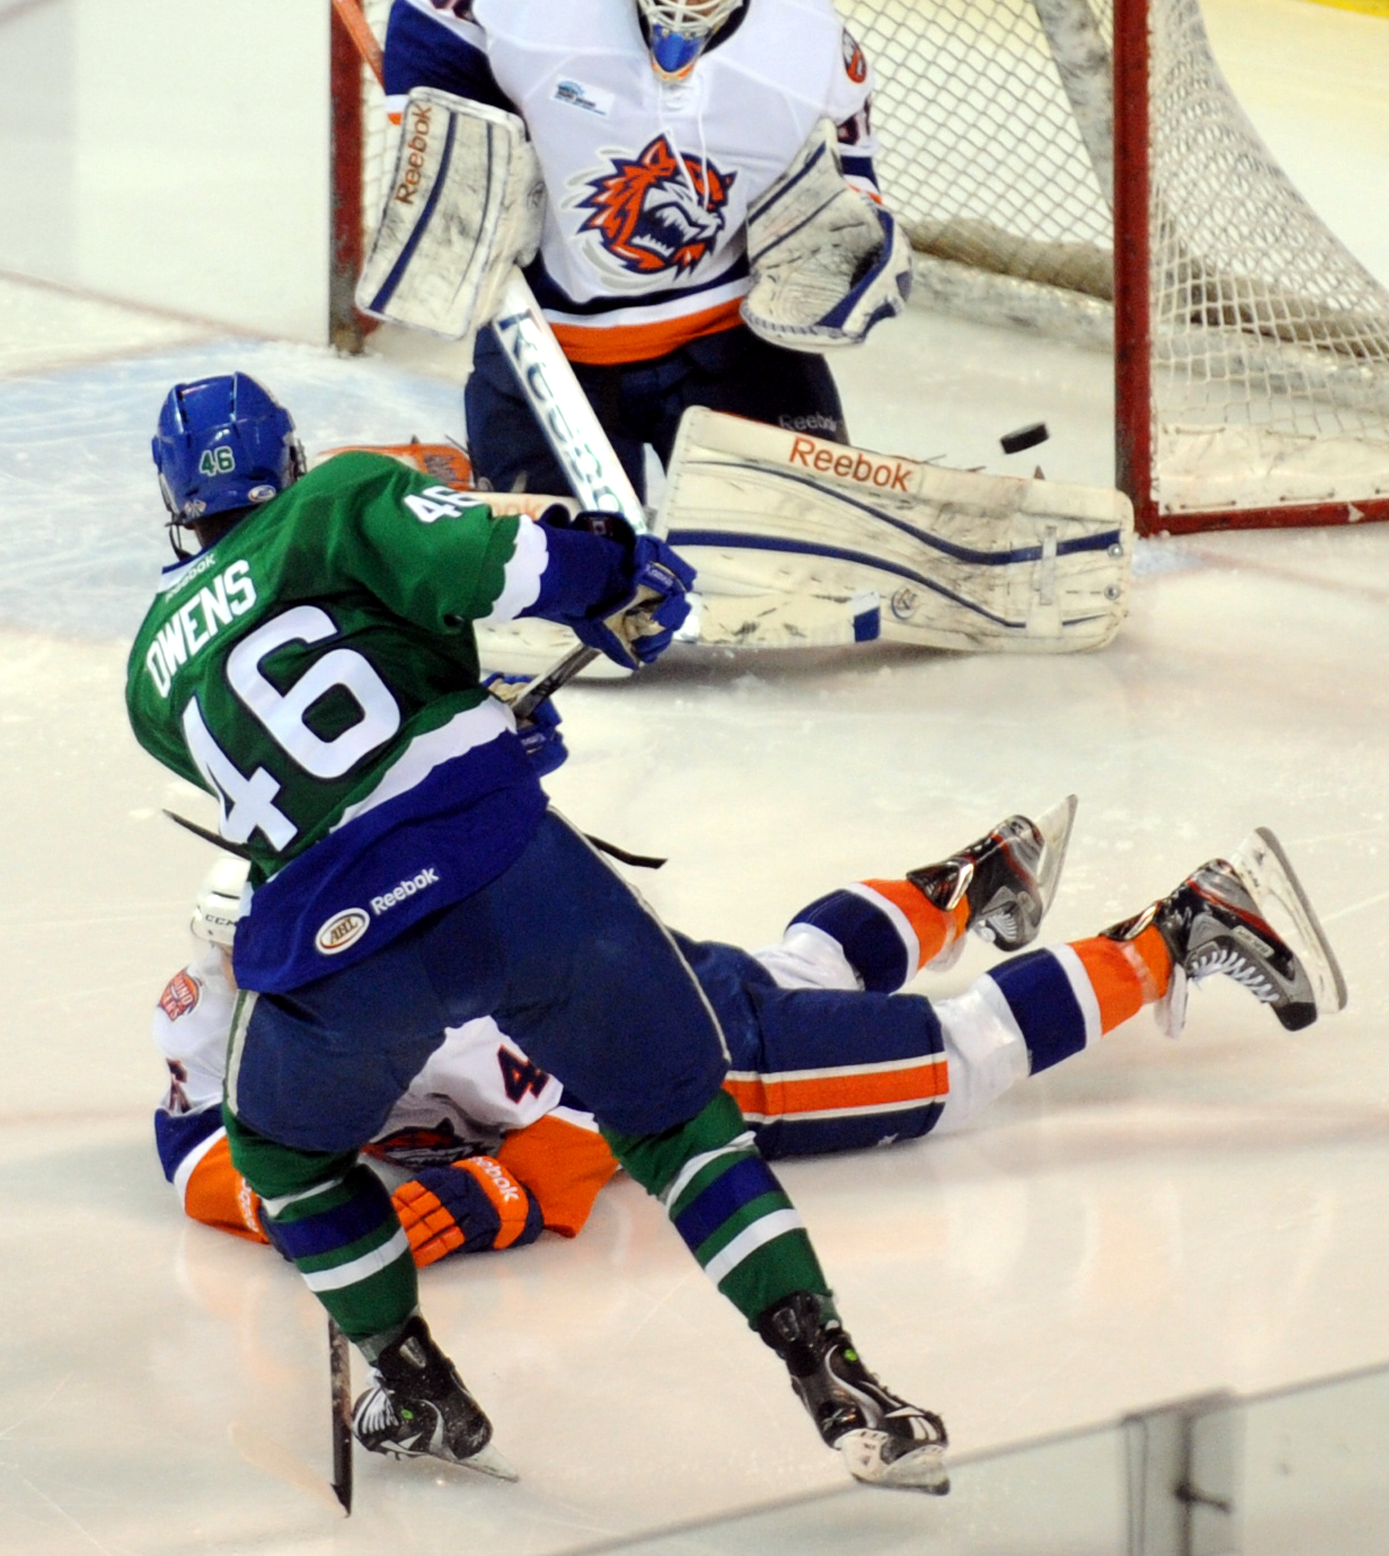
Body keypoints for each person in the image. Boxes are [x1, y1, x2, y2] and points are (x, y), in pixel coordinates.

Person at [125, 369, 949, 1494]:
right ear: (291, 458)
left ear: (175, 500)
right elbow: (496, 564)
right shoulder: (339, 498)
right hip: (510, 875)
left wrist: (462, 712)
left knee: (285, 1162)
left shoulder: (148, 671)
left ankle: (415, 1381)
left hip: (343, 943)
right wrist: (611, 569)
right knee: (678, 1125)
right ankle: (833, 1374)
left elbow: (311, 747)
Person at [156, 787, 1346, 1277]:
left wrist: (496, 1198)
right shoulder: (221, 978)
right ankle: (979, 872)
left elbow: (595, 1122)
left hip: (703, 1062)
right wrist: (276, 1201)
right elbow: (193, 1143)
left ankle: (1183, 925)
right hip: (655, 964)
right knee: (796, 965)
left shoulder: (448, 986)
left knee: (952, 1062)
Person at [382, 0, 912, 499]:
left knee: (797, 530)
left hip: (726, 339)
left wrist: (857, 223)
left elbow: (853, 153)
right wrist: (456, 145)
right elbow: (427, 9)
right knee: (558, 554)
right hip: (548, 341)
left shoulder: (806, 35)